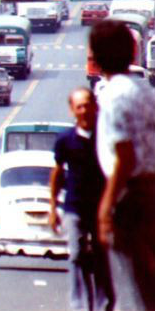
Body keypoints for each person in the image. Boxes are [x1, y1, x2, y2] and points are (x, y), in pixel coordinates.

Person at [89, 20, 155, 311]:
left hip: (131, 198)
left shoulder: (112, 95)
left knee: (131, 288)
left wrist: (106, 206)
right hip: (149, 193)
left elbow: (125, 156)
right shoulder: (145, 91)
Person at [49, 88, 114, 311]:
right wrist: (52, 207)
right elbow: (57, 173)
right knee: (76, 255)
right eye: (79, 106)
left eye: (88, 105)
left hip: (100, 207)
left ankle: (103, 303)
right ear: (72, 110)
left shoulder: (105, 138)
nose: (84, 110)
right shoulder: (65, 140)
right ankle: (79, 305)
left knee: (101, 255)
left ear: (95, 107)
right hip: (74, 206)